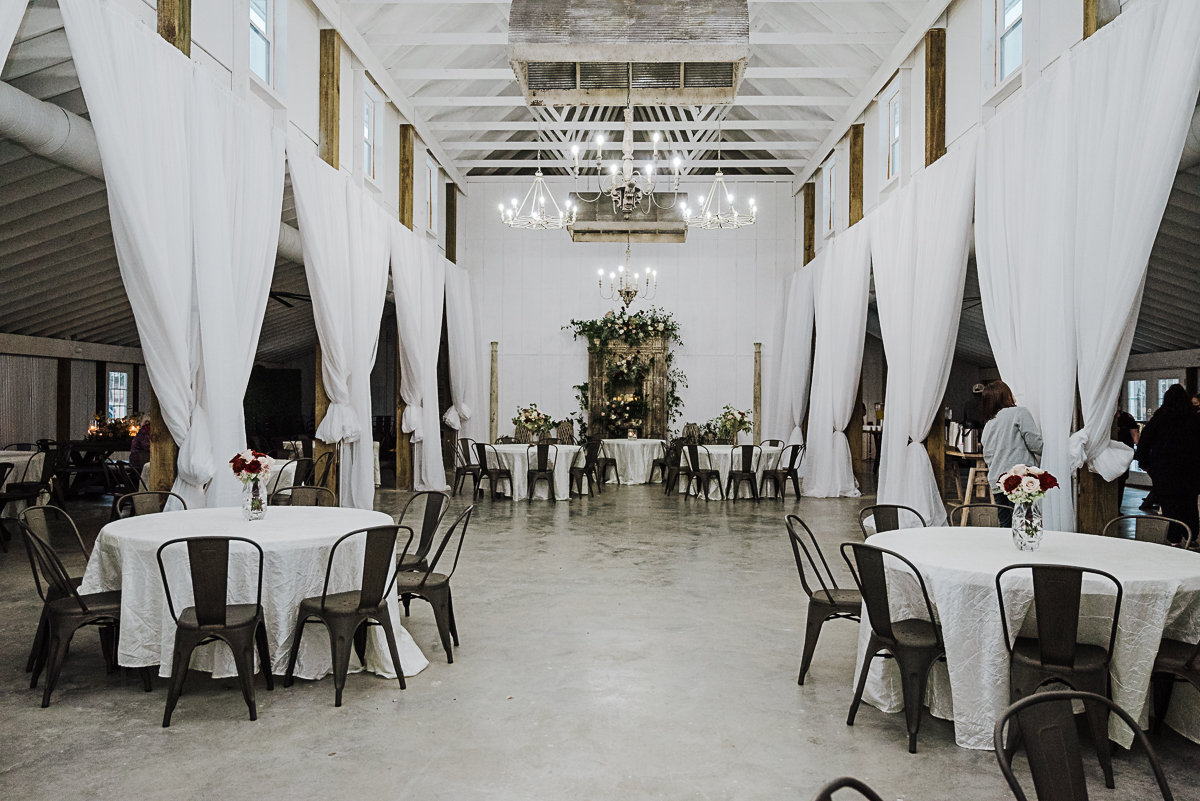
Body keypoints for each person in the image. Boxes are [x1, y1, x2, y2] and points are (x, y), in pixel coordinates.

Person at [1135, 384, 1200, 545]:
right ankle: (1191, 537)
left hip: (1165, 471)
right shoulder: (1194, 419)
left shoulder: (1159, 418)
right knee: (1190, 505)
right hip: (1191, 471)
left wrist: (1147, 465)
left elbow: (1144, 443)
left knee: (1170, 506)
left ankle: (1173, 539)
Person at [981, 381, 1043, 526]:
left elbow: (987, 456)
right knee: (1025, 526)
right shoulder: (1020, 413)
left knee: (1006, 526)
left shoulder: (989, 424)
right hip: (1019, 481)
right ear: (1005, 395)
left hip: (997, 482)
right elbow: (1035, 444)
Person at [1115, 408, 1140, 507]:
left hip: (1122, 455)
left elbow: (1135, 438)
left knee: (1120, 480)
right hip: (1122, 454)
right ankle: (1116, 507)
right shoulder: (1127, 417)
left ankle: (1116, 507)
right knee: (1120, 481)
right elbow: (1135, 438)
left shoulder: (1127, 418)